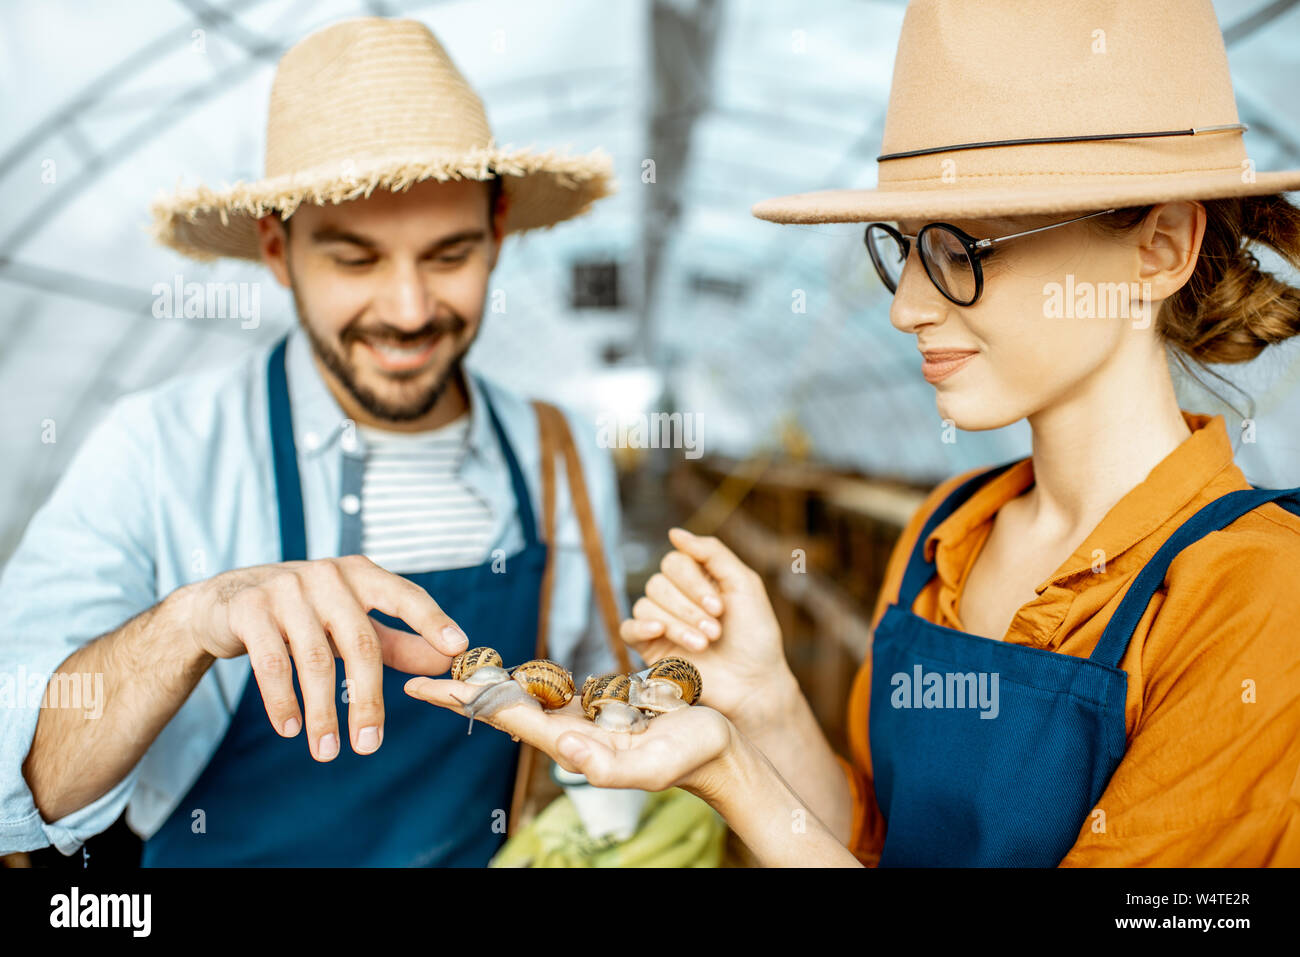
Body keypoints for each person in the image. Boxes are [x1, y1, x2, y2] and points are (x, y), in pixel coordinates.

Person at [407, 0, 1300, 866]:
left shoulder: (1259, 594)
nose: (908, 305)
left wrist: (736, 777)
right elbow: (875, 840)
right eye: (903, 247)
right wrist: (767, 703)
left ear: (1160, 247)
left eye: (964, 249)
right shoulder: (950, 529)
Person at [0, 17, 630, 866]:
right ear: (276, 248)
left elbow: (596, 712)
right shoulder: (158, 449)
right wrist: (188, 623)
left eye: (449, 255)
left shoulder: (557, 454)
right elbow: (21, 785)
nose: (409, 311)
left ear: (499, 227)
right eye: (356, 260)